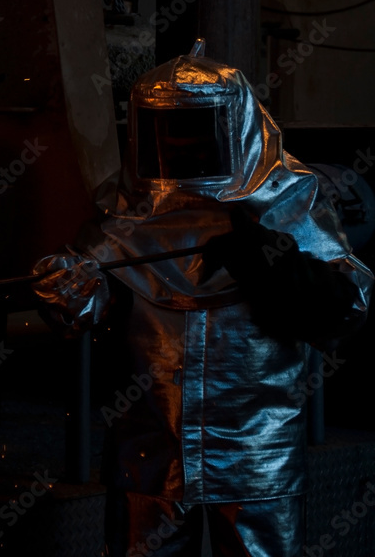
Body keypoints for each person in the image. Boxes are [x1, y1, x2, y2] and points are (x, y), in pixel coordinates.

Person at [32, 47, 373, 556]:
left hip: (258, 458)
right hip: (150, 454)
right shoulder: (124, 213)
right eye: (168, 130)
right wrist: (67, 288)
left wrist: (269, 261)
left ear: (232, 127)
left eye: (194, 130)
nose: (181, 146)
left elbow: (347, 309)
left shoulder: (287, 202)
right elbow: (83, 317)